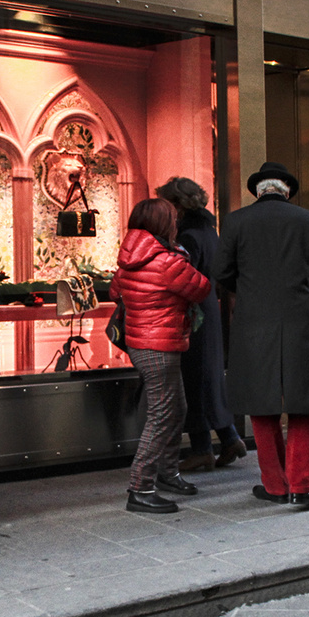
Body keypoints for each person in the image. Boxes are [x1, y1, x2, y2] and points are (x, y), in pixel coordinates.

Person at [214, 162, 309, 508]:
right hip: (303, 322)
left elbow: (221, 272)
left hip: (253, 324)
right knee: (303, 404)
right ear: (285, 190)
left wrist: (252, 290)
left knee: (261, 406)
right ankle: (301, 486)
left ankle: (275, 486)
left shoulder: (236, 222)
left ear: (258, 190)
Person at [110, 196, 210, 514]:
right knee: (162, 416)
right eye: (172, 219)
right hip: (160, 347)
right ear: (162, 224)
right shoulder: (167, 261)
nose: (177, 223)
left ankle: (168, 474)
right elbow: (201, 288)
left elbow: (115, 292)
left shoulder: (129, 257)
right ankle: (140, 488)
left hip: (143, 344)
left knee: (175, 408)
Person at [155, 176, 245, 473]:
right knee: (208, 378)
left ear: (179, 205)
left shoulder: (189, 236)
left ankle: (202, 449)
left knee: (194, 380)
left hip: (194, 313)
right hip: (208, 309)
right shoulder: (209, 230)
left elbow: (183, 279)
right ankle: (229, 438)